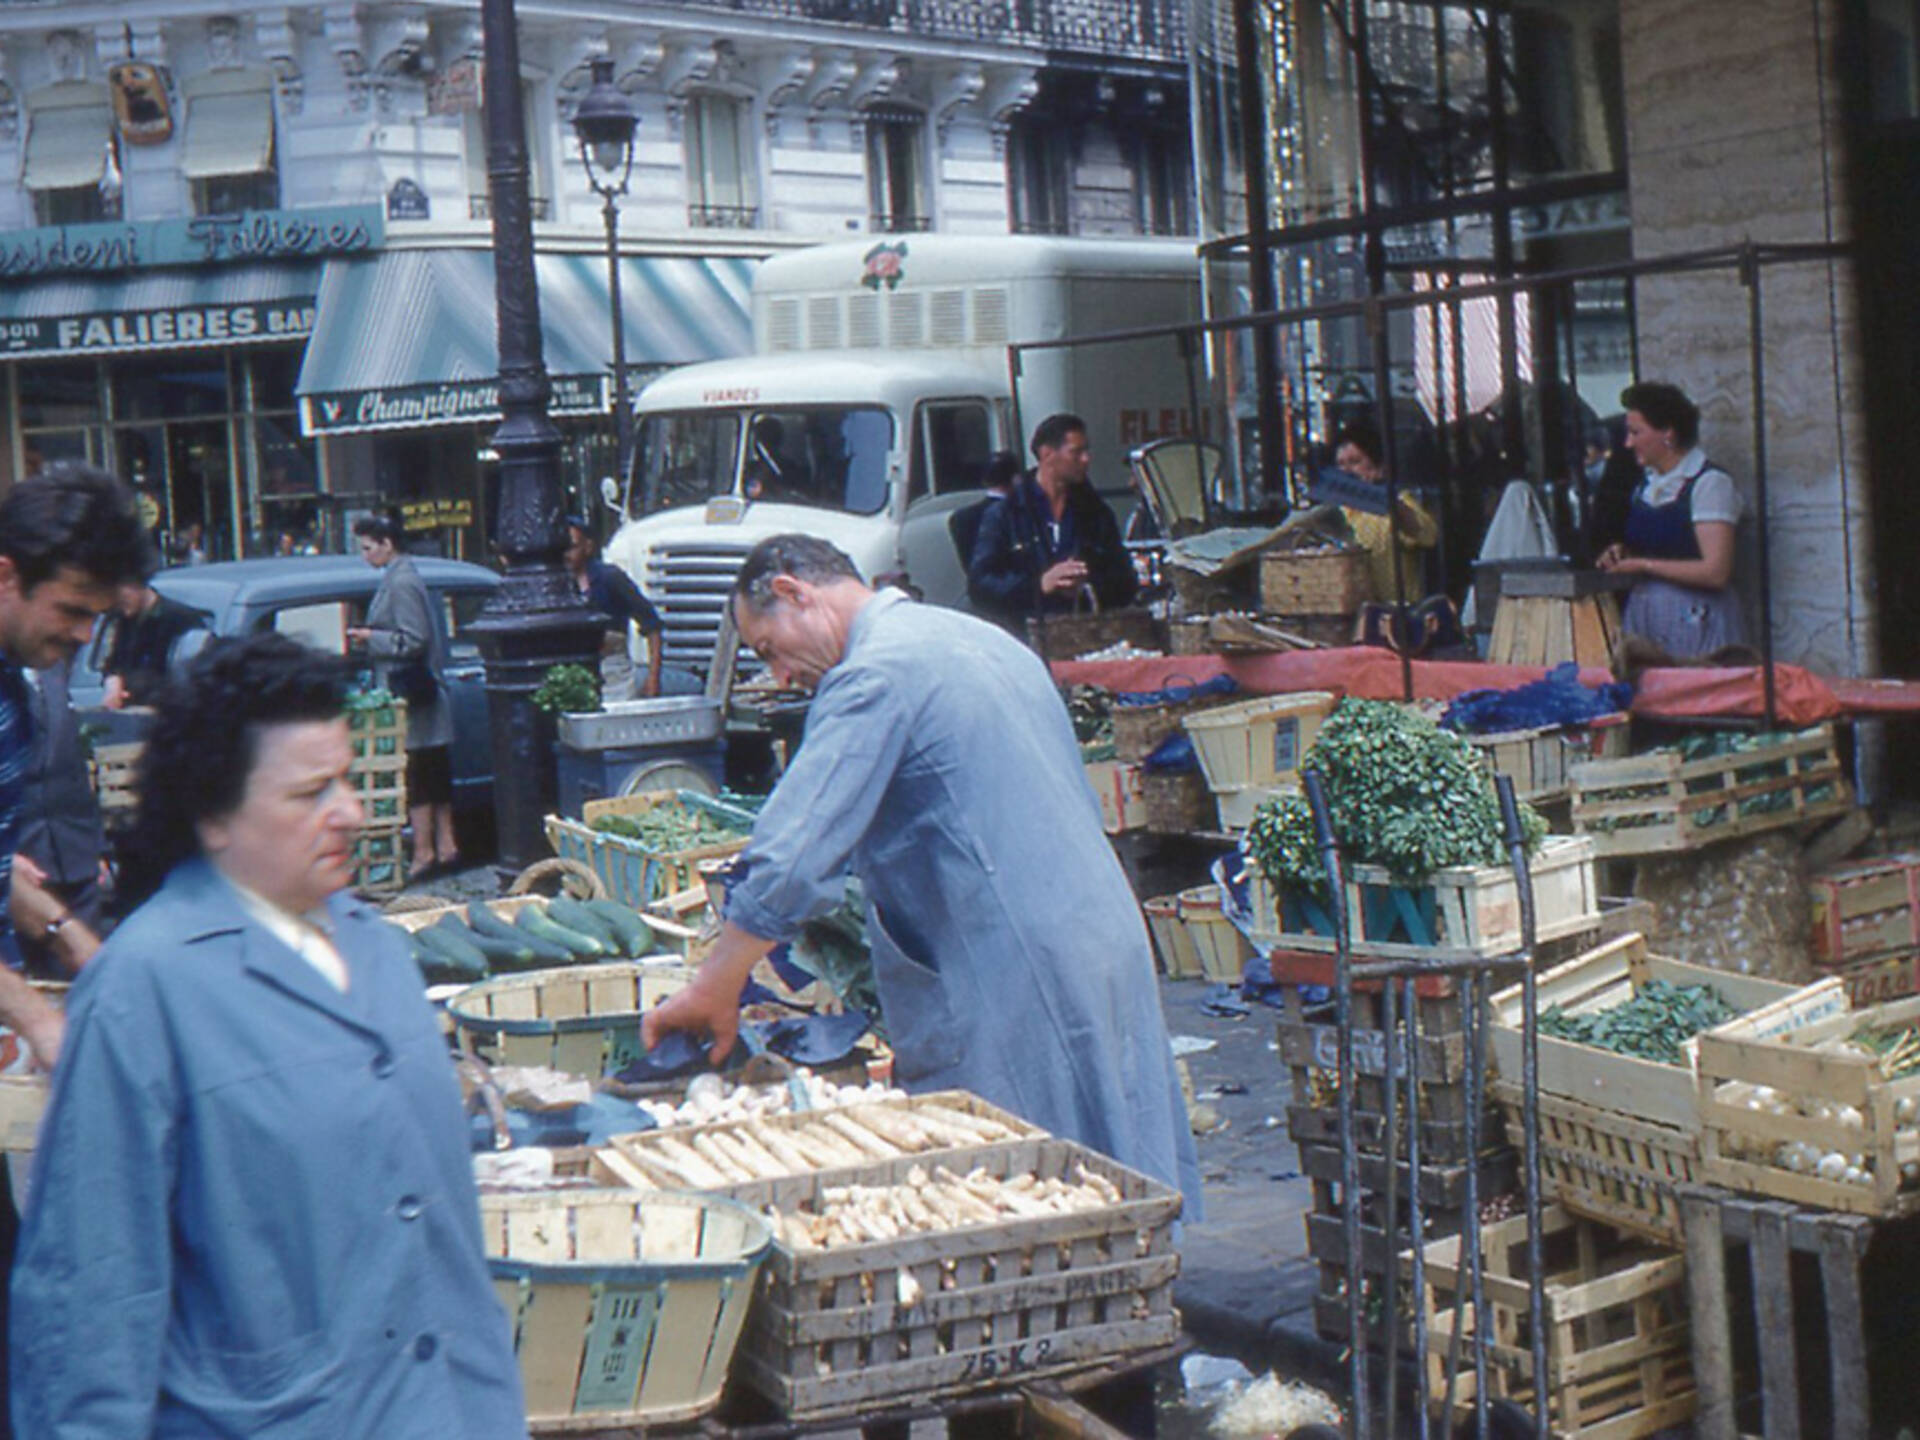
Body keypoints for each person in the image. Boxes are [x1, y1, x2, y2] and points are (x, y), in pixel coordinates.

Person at [11, 633, 529, 1438]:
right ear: (215, 814)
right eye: (311, 792)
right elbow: (91, 1302)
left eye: (347, 780)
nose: (351, 812)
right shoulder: (145, 991)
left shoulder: (378, 950)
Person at [641, 535, 1198, 1206]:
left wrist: (714, 985)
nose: (780, 675)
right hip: (1103, 938)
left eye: (768, 648)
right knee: (1121, 1179)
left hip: (1015, 967)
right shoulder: (979, 639)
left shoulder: (873, 676)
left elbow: (789, 862)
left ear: (794, 592)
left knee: (1033, 1199)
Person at [0, 466, 149, 1440]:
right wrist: (39, 1018)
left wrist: (86, 951)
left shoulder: (13, 691)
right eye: (71, 610)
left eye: (98, 617)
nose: (83, 638)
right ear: (6, 575)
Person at [1596, 381, 1745, 659]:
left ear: (1668, 434)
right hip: (1647, 615)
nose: (1628, 443)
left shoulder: (1709, 484)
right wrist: (1625, 554)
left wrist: (1644, 565)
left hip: (1696, 617)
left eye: (1636, 433)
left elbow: (1716, 572)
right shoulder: (1646, 486)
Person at [347, 514, 456, 879]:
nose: (364, 556)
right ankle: (444, 846)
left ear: (387, 544)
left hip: (411, 690)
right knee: (432, 772)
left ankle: (426, 851)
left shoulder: (402, 581)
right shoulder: (400, 577)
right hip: (418, 691)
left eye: (368, 548)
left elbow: (414, 638)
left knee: (420, 774)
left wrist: (370, 638)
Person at [967, 413, 1137, 626]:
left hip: (1084, 632)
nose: (1086, 459)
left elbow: (1126, 581)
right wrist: (1039, 585)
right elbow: (980, 586)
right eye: (1076, 452)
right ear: (1047, 454)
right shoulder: (1006, 513)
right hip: (1024, 634)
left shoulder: (1095, 512)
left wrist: (1087, 586)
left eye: (1086, 451)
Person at [13, 658, 107, 975]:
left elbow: (73, 767)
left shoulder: (52, 670)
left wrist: (97, 847)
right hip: (21, 866)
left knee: (85, 973)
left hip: (74, 856)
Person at [1332, 418, 1439, 604]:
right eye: (1341, 464)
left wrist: (1391, 504)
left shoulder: (1397, 504)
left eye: (1355, 462)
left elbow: (1428, 534)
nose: (1346, 471)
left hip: (1395, 612)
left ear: (1379, 468)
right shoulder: (1334, 512)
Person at [564, 517, 664, 702]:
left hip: (614, 673)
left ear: (588, 547)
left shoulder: (610, 578)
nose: (566, 554)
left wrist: (653, 677)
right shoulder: (556, 584)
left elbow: (652, 625)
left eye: (572, 547)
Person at [99, 573, 204, 709]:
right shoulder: (124, 620)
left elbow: (192, 675)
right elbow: (114, 661)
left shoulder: (181, 619)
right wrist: (113, 682)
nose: (120, 606)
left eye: (123, 599)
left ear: (138, 586)